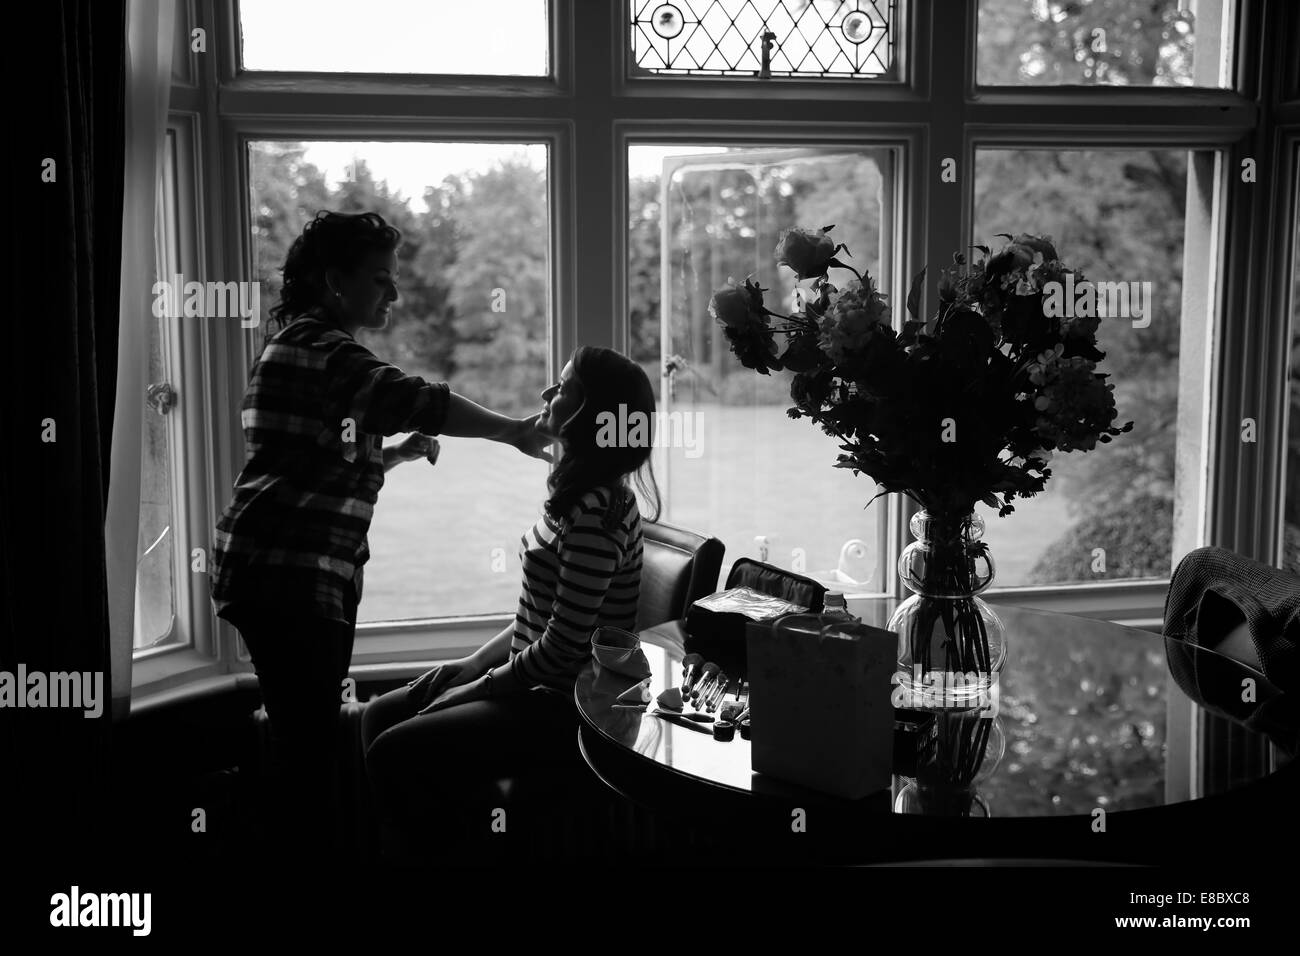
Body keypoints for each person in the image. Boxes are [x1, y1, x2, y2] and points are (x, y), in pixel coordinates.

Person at [211, 210, 552, 858]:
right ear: (334, 283)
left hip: (271, 574)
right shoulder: (325, 348)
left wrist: (387, 457)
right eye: (379, 280)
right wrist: (514, 430)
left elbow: (305, 455)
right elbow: (417, 397)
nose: (393, 293)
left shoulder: (296, 343)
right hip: (290, 578)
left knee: (299, 744)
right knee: (305, 751)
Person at [360, 345, 661, 848]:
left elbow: (563, 649)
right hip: (532, 686)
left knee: (394, 752)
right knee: (378, 715)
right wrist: (470, 664)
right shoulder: (577, 497)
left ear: (591, 415)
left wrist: (476, 689)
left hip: (563, 705)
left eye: (564, 388)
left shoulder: (597, 514)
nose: (547, 392)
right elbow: (540, 620)